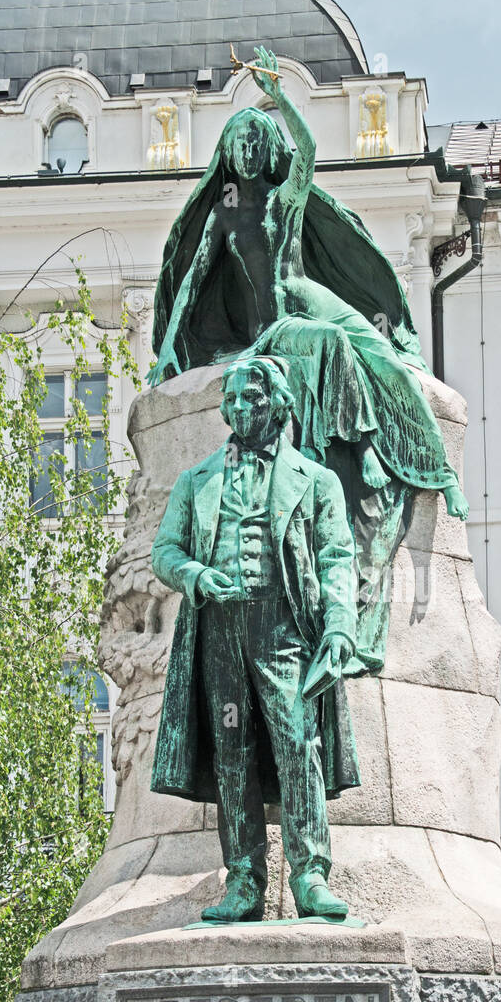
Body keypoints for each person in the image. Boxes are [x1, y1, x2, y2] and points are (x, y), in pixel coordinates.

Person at [146, 45, 468, 670]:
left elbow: (311, 156)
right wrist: (167, 354)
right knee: (331, 345)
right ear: (227, 156)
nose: (244, 149)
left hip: (305, 298)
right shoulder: (223, 213)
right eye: (236, 141)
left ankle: (432, 469)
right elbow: (189, 286)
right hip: (275, 331)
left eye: (253, 139)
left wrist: (279, 95)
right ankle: (364, 446)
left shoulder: (285, 200)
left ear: (266, 150)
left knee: (378, 347)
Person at [149, 356, 360, 923]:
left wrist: (339, 624)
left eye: (254, 399)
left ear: (280, 404)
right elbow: (164, 551)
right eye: (234, 400)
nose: (242, 409)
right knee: (231, 754)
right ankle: (243, 878)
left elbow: (339, 556)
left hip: (282, 628)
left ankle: (310, 874)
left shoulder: (315, 480)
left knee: (298, 742)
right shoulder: (198, 479)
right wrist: (193, 575)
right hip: (219, 630)